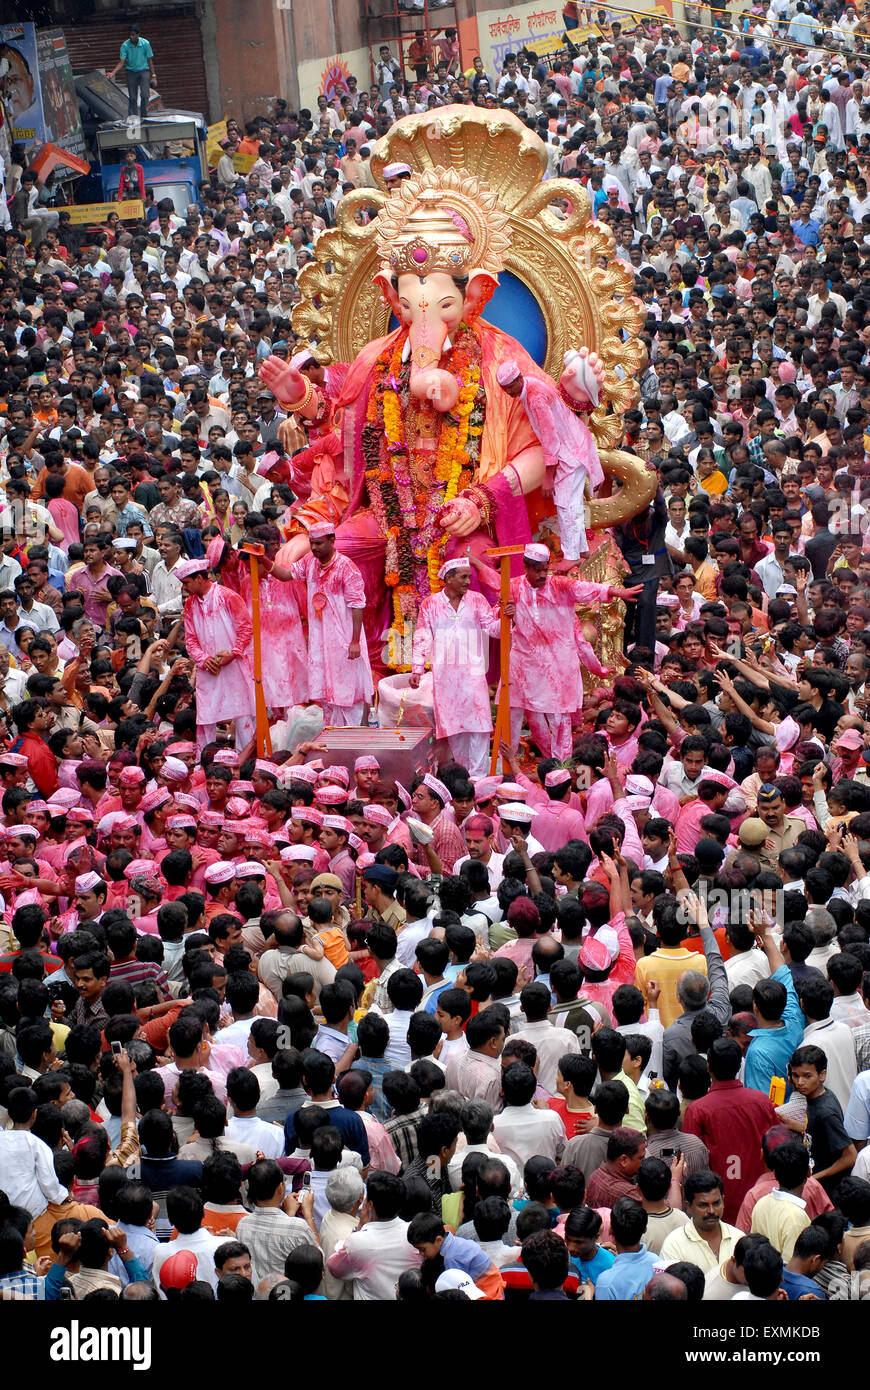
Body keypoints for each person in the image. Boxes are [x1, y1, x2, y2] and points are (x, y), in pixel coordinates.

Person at [410, 556, 500, 776]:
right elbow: (422, 637)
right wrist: (417, 670)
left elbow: (493, 629)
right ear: (448, 579)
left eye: (469, 576)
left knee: (479, 727)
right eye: (463, 577)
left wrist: (508, 619)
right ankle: (464, 778)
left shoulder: (477, 601)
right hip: (445, 678)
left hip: (473, 676)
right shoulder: (430, 604)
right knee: (456, 728)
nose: (468, 581)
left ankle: (478, 779)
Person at [178, 557, 255, 752]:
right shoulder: (190, 604)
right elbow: (190, 640)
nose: (184, 588)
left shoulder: (228, 596)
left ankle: (247, 758)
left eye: (186, 583)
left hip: (235, 666)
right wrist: (204, 660)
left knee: (243, 712)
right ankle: (205, 759)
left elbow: (246, 628)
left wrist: (233, 653)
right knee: (205, 716)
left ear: (198, 579)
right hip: (208, 668)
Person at [109, 25, 156, 119]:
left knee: (145, 95)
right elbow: (122, 62)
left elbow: (150, 60)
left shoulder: (145, 43)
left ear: (138, 34)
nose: (131, 37)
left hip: (144, 71)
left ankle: (144, 114)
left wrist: (153, 75)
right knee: (133, 97)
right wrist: (112, 73)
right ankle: (133, 116)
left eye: (133, 35)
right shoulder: (125, 45)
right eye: (130, 35)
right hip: (131, 72)